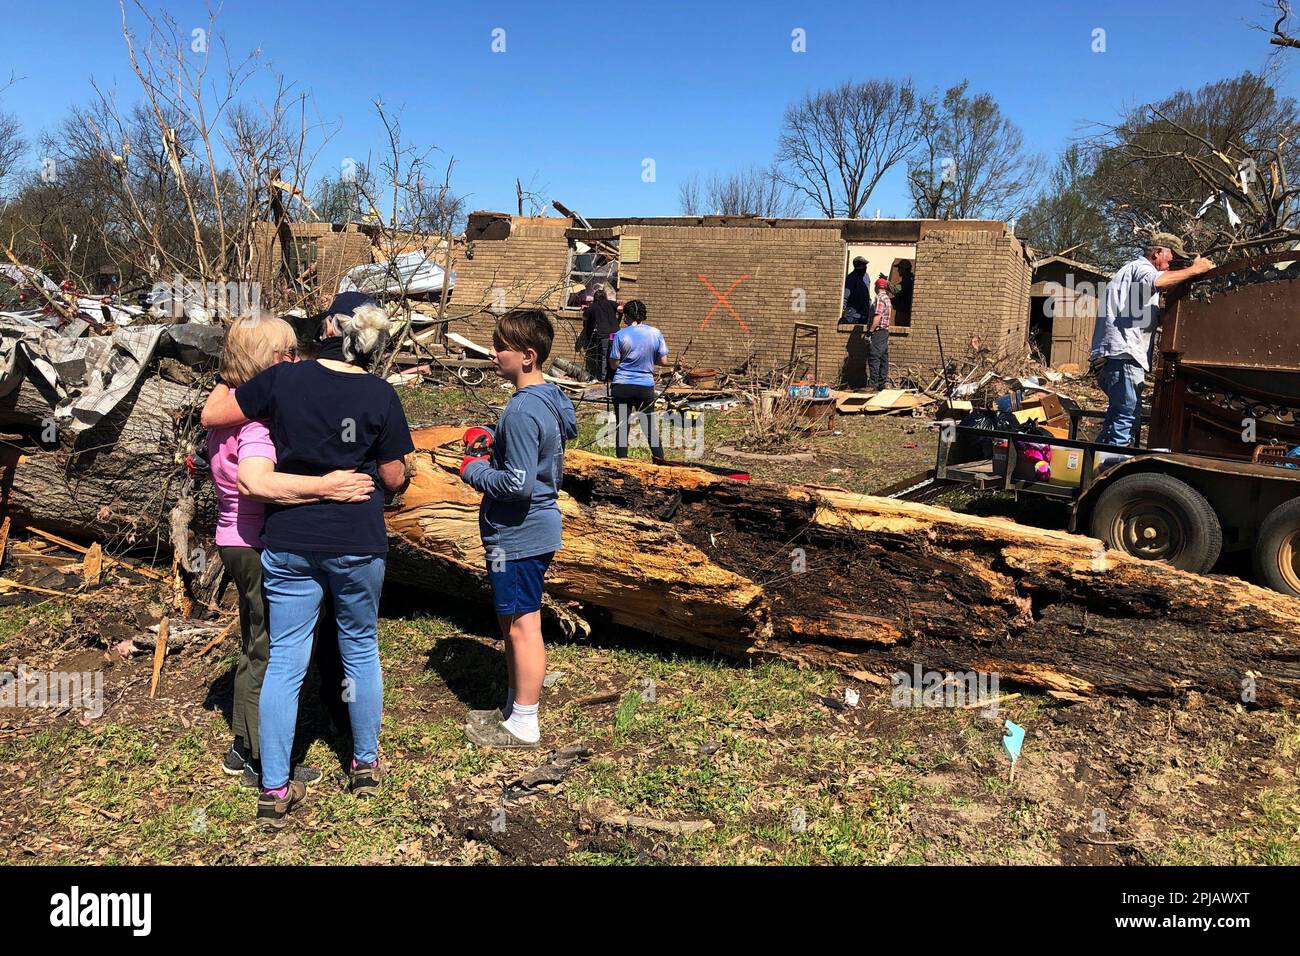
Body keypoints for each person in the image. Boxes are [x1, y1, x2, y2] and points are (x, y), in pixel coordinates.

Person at [201, 302, 414, 829]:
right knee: (360, 648)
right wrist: (396, 467)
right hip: (358, 541)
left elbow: (217, 412)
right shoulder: (381, 393)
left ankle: (273, 786)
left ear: (327, 331)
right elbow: (391, 478)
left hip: (290, 541)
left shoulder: (281, 380)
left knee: (285, 660)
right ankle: (364, 764)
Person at [459, 309, 578, 749]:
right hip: (532, 530)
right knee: (512, 620)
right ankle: (513, 708)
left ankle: (525, 722)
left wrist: (474, 469)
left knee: (522, 625)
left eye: (500, 347)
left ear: (527, 356)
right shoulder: (548, 397)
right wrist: (493, 436)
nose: (492, 353)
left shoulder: (523, 410)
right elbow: (533, 452)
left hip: (519, 532)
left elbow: (517, 483)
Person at [1090, 233, 1213, 447]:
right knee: (1126, 419)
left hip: (1115, 359)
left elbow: (1157, 314)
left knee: (1116, 419)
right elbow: (1159, 281)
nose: (1171, 264)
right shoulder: (1143, 269)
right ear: (1157, 253)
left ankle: (1094, 467)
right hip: (1123, 357)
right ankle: (1112, 472)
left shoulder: (1135, 280)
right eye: (1171, 258)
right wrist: (1195, 270)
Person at [608, 299, 669, 461]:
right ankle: (660, 462)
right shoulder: (655, 333)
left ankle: (621, 463)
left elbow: (614, 364)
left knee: (622, 427)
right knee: (649, 428)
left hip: (622, 386)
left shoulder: (620, 335)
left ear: (627, 316)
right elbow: (663, 361)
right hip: (645, 386)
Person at [580, 285, 620, 381]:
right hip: (615, 334)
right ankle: (616, 376)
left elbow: (584, 317)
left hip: (604, 335)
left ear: (595, 298)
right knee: (616, 355)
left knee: (604, 356)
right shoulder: (611, 303)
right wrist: (619, 319)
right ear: (605, 296)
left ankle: (603, 378)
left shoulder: (593, 307)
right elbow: (621, 309)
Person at [867, 276, 892, 390]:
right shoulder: (887, 298)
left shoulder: (879, 298)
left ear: (876, 287)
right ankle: (882, 383)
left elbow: (878, 316)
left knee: (874, 356)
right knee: (883, 357)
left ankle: (873, 384)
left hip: (878, 332)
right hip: (885, 331)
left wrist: (870, 332)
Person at [842, 256, 873, 324]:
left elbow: (868, 294)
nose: (864, 267)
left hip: (865, 315)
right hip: (854, 317)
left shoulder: (866, 276)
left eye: (865, 265)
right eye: (862, 265)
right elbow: (845, 297)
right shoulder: (851, 278)